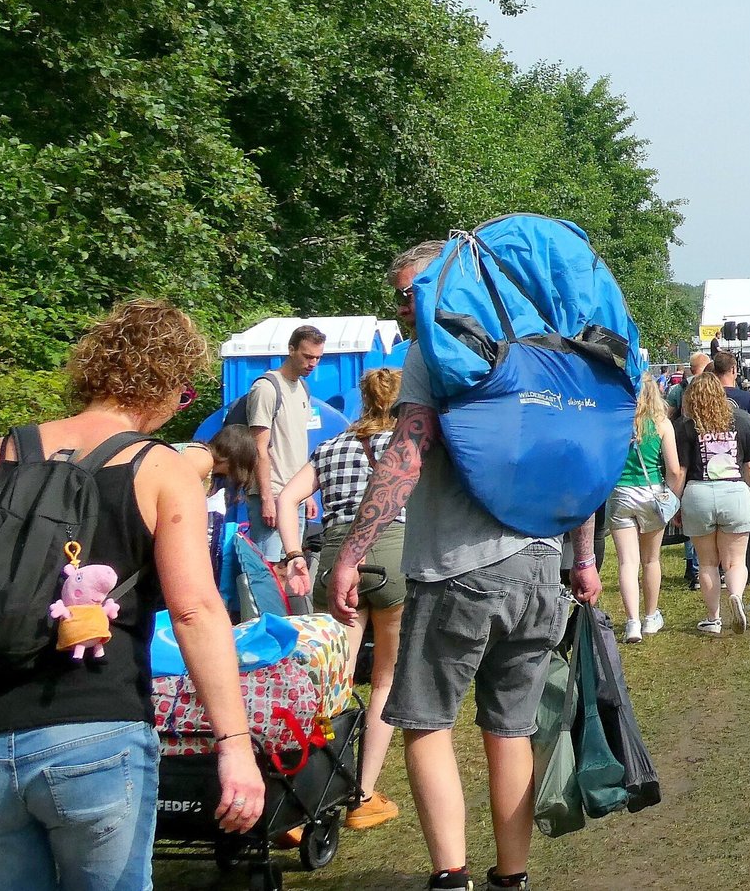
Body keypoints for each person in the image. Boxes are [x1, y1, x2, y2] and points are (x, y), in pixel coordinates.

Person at [0, 301, 265, 889]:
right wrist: (234, 744)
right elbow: (195, 610)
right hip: (97, 734)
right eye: (185, 396)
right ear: (168, 387)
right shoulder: (161, 469)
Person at [328, 240, 603, 891]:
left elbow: (406, 452)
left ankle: (451, 878)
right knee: (510, 730)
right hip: (538, 568)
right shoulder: (543, 346)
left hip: (457, 566)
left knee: (424, 722)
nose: (403, 309)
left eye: (409, 294)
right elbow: (576, 461)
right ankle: (512, 879)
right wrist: (582, 558)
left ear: (440, 287)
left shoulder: (432, 348)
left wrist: (353, 551)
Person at [308, 366, 407, 831]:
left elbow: (288, 499)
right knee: (386, 678)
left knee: (330, 680)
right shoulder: (406, 446)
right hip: (392, 557)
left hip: (334, 560)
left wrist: (291, 555)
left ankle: (307, 787)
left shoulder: (329, 447)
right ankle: (362, 793)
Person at [672, 367, 750, 636]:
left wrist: (675, 504)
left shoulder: (685, 426)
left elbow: (679, 471)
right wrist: (745, 491)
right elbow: (749, 466)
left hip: (698, 493)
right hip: (734, 491)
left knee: (708, 563)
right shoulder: (739, 421)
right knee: (736, 562)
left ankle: (713, 619)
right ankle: (735, 595)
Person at [244, 323, 325, 591]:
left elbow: (298, 444)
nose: (312, 363)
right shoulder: (267, 388)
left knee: (292, 568)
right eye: (307, 356)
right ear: (291, 350)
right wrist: (267, 498)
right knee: (267, 573)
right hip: (273, 494)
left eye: (317, 358)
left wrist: (308, 493)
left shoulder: (303, 388)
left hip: (295, 498)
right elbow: (259, 448)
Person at [607, 382, 673, 644]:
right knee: (651, 560)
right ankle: (650, 616)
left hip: (620, 492)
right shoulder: (662, 424)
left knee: (627, 562)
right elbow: (674, 467)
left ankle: (632, 622)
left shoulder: (616, 422)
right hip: (652, 492)